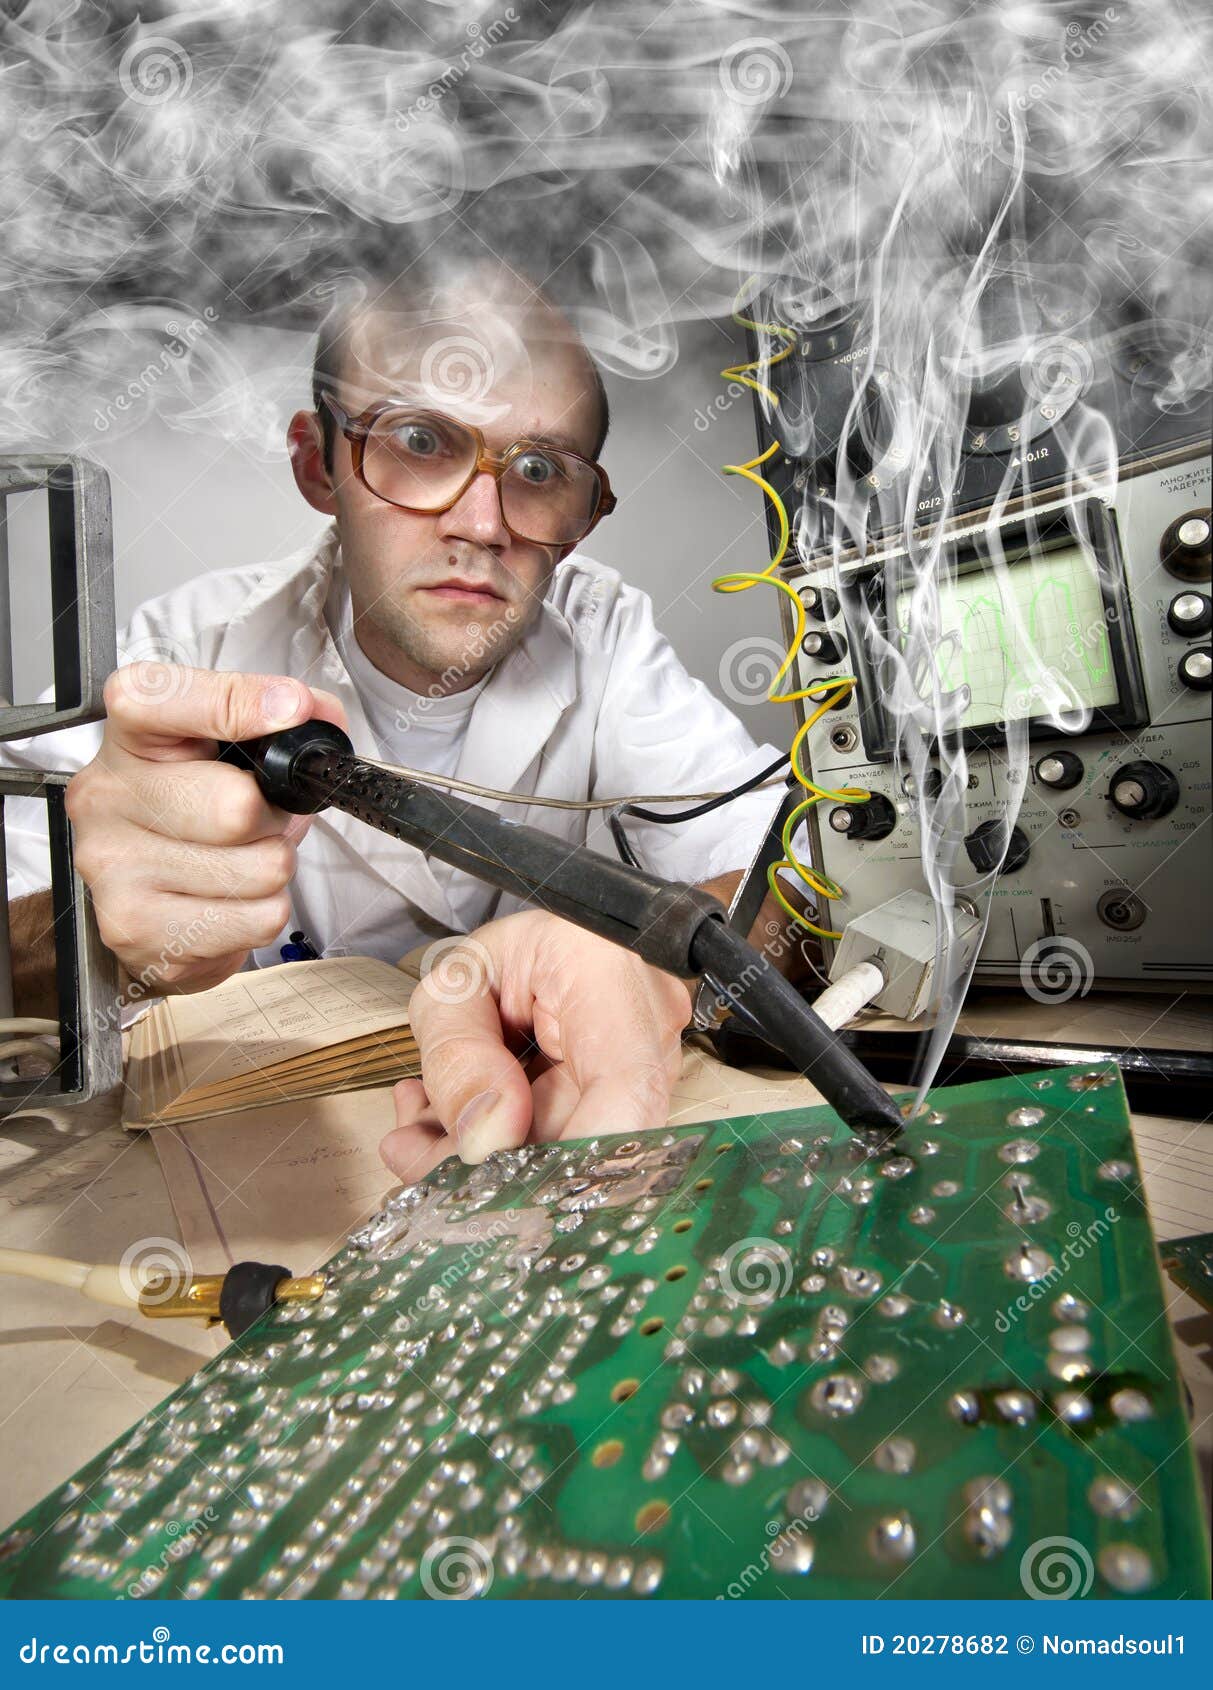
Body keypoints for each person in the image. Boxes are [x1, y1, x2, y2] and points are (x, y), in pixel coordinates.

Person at [3, 258, 807, 1177]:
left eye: (540, 470)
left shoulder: (605, 636)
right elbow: (9, 981)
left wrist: (659, 962)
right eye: (421, 441)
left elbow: (800, 891)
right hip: (259, 1170)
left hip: (527, 1142)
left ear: (583, 517)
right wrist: (92, 936)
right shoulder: (181, 650)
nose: (481, 522)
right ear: (319, 465)